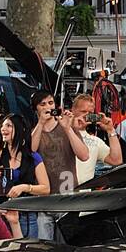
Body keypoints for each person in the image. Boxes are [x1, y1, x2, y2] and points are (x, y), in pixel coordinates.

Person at [30, 90, 89, 237]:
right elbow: (31, 150)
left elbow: (84, 155)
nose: (47, 107)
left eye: (50, 103)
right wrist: (41, 123)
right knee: (44, 247)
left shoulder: (67, 126)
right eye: (42, 104)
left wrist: (68, 128)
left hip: (68, 195)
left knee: (67, 246)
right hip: (44, 198)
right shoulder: (34, 131)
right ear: (36, 108)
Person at [0, 113, 49, 238]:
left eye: (9, 126)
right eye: (3, 126)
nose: (3, 129)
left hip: (26, 214)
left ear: (20, 130)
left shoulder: (33, 158)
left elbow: (46, 188)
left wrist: (24, 187)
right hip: (1, 214)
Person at [70, 92, 123, 185]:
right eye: (83, 111)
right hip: (62, 190)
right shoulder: (63, 132)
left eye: (90, 113)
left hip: (85, 194)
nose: (86, 115)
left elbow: (116, 160)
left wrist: (111, 131)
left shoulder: (95, 141)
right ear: (73, 110)